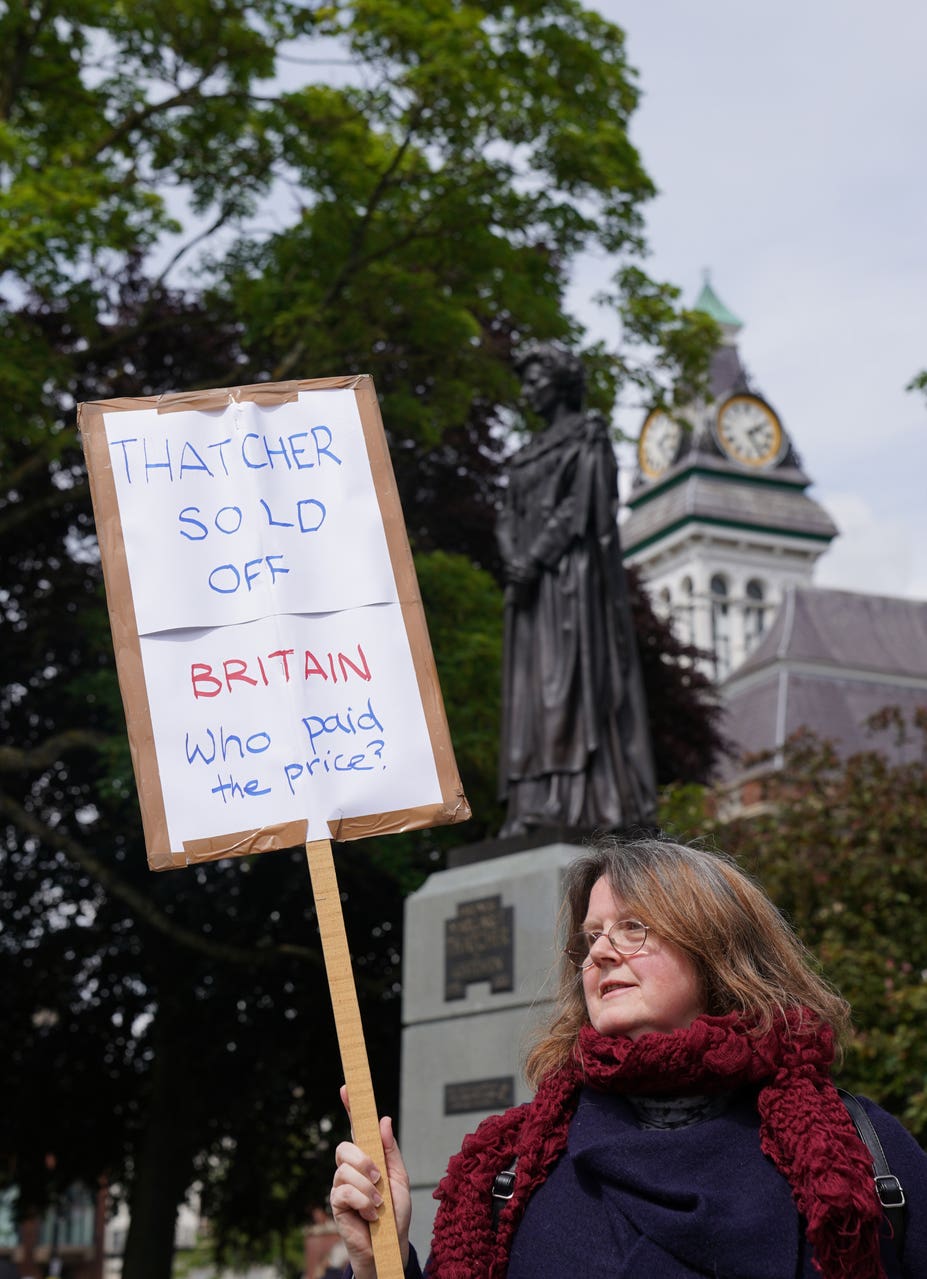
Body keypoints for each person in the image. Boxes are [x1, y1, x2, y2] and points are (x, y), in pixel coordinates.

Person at [330, 837, 927, 1278]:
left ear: (716, 946)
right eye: (591, 937)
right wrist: (383, 1259)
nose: (601, 955)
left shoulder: (861, 1152)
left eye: (634, 927)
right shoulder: (509, 1168)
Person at [496, 343, 656, 837]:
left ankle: (574, 803)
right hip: (529, 590)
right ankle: (528, 804)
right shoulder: (524, 455)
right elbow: (504, 514)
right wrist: (513, 561)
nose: (527, 391)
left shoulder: (588, 436)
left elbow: (582, 508)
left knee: (565, 688)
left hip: (569, 584)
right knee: (529, 696)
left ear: (561, 381)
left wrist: (535, 557)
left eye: (536, 379)